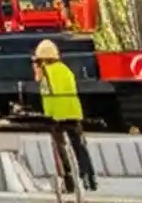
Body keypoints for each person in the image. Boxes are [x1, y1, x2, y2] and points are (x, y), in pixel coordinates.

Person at [33, 39, 97, 193]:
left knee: (59, 148)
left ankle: (68, 182)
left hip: (56, 116)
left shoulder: (45, 72)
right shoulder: (65, 69)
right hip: (74, 113)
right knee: (80, 147)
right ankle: (89, 179)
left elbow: (46, 91)